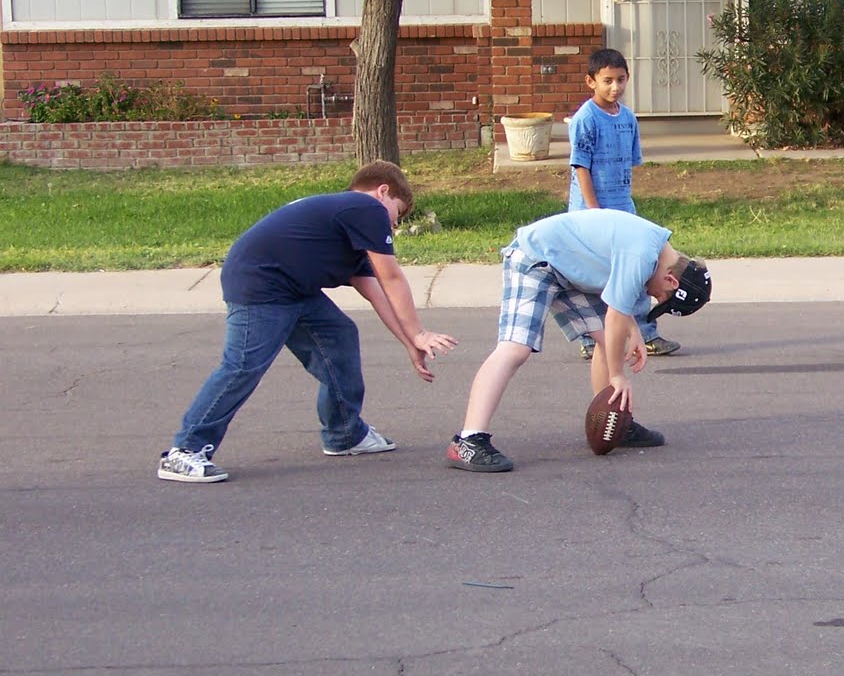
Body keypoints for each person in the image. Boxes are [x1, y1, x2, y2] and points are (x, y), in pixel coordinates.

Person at [159, 161, 458, 483]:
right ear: (383, 192)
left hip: (294, 291)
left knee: (339, 336)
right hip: (261, 286)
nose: (392, 226)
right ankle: (184, 452)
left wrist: (411, 342)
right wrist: (420, 331)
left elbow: (377, 292)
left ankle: (345, 434)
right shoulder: (364, 207)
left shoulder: (345, 224)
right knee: (243, 365)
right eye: (396, 214)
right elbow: (392, 277)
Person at [445, 208, 711, 473]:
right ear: (671, 280)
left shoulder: (655, 250)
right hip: (536, 259)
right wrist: (618, 375)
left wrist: (634, 331)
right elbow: (616, 315)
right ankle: (468, 440)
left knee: (610, 342)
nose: (654, 297)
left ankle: (610, 420)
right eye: (662, 297)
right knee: (516, 348)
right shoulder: (641, 256)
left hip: (566, 269)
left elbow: (616, 299)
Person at [568, 47, 681, 360]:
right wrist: (594, 212)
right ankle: (592, 339)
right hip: (592, 214)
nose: (614, 87)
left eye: (620, 80)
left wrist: (624, 208)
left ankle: (646, 335)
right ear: (591, 82)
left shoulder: (628, 118)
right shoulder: (585, 119)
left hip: (623, 210)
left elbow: (628, 165)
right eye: (607, 81)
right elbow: (581, 168)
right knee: (595, 278)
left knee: (638, 272)